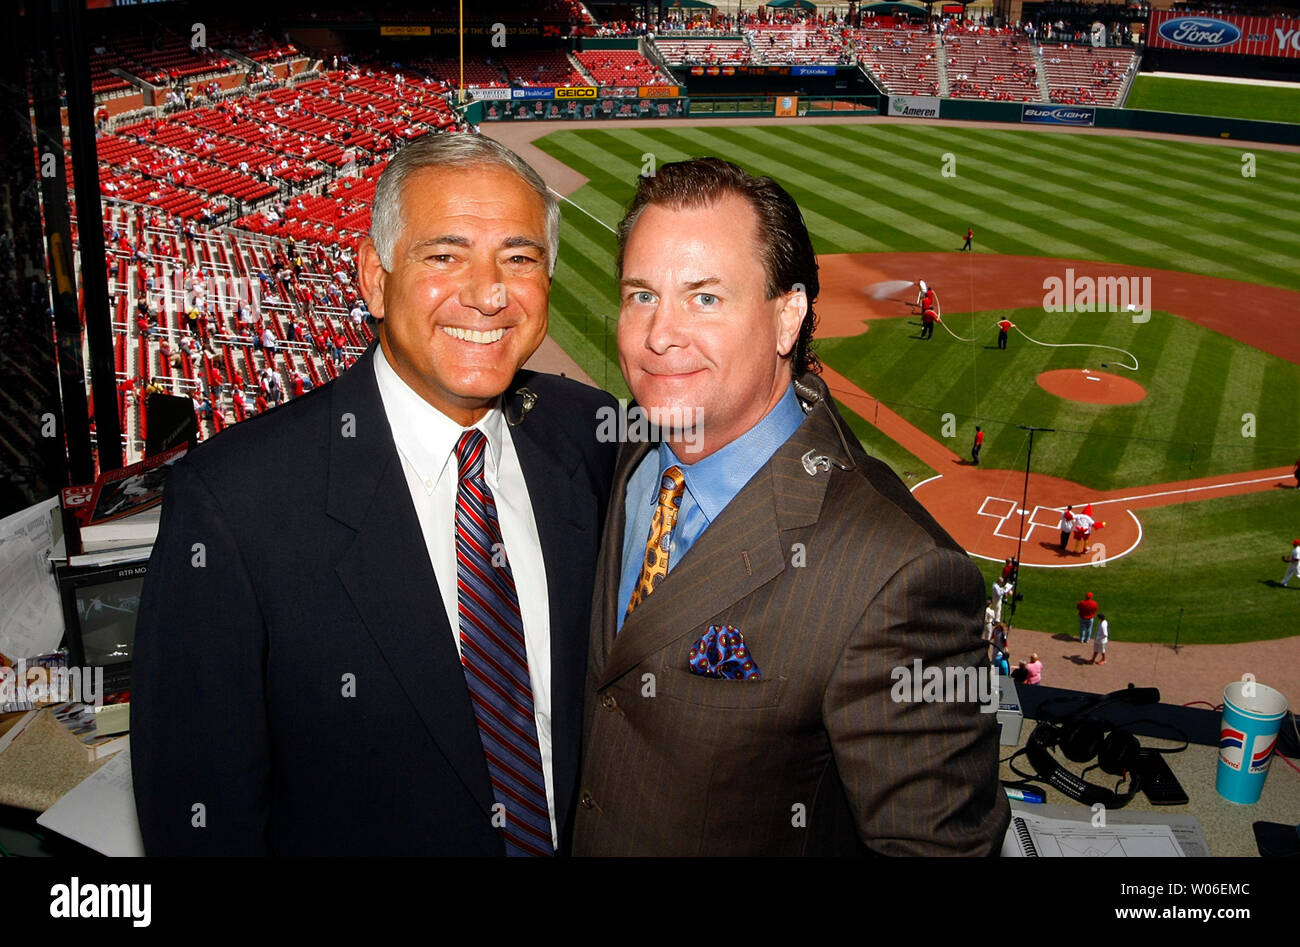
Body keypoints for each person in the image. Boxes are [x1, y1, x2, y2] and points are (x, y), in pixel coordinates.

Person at [132, 134, 618, 856]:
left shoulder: (590, 434)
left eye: (519, 258)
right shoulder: (233, 500)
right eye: (444, 255)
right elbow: (202, 823)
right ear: (372, 275)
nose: (488, 294)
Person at [572, 158, 1008, 856]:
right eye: (641, 294)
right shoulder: (630, 452)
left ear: (788, 317)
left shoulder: (899, 573)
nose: (659, 335)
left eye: (705, 297)